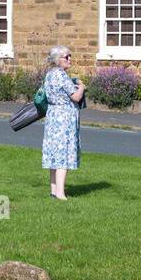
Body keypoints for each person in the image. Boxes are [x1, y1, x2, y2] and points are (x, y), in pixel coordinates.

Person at [41, 45, 84, 200]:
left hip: (53, 116)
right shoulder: (61, 75)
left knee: (54, 154)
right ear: (58, 59)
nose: (69, 59)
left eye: (70, 56)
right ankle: (60, 194)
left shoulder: (50, 74)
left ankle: (53, 191)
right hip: (64, 118)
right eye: (67, 57)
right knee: (63, 154)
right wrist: (82, 87)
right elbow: (76, 97)